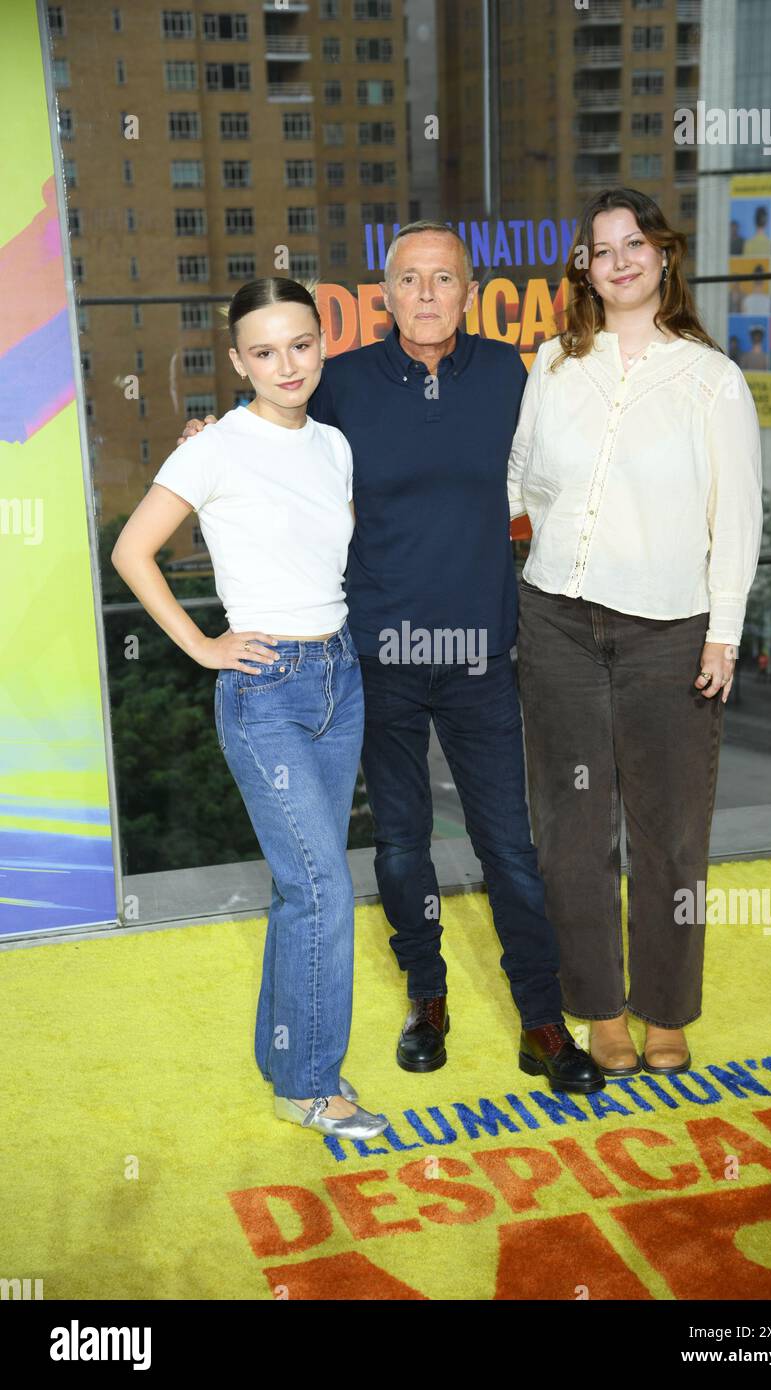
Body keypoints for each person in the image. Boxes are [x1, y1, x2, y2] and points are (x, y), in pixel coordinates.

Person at [180, 223, 605, 1096]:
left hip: (482, 654)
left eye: (441, 278)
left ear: (468, 289)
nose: (424, 293)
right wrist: (201, 436)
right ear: (385, 294)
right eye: (408, 279)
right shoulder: (338, 386)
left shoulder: (507, 376)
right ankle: (428, 996)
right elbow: (269, 429)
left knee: (511, 850)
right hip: (376, 658)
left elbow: (552, 471)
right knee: (404, 850)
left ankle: (540, 1019)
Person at [111, 277, 390, 1140]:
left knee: (297, 891)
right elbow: (132, 549)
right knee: (325, 891)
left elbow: (321, 557)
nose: (286, 364)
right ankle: (311, 1084)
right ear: (238, 363)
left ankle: (283, 1056)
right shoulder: (213, 448)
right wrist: (202, 647)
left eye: (300, 345)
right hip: (265, 688)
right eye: (263, 352)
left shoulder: (335, 447)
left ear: (321, 344)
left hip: (339, 678)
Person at [508, 187, 763, 1077]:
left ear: (662, 257)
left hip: (670, 631)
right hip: (555, 623)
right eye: (600, 249)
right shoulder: (552, 365)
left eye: (634, 244)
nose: (618, 261)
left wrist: (721, 635)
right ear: (582, 266)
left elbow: (737, 518)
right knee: (572, 829)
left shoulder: (710, 378)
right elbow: (519, 481)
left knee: (672, 833)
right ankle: (599, 1009)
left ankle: (664, 1011)